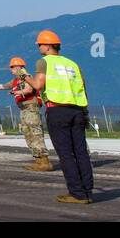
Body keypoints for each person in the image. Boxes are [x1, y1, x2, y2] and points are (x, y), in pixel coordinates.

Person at [34, 30, 94, 204]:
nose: (39, 48)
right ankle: (88, 191)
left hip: (57, 111)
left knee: (66, 154)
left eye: (39, 45)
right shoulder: (72, 64)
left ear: (46, 46)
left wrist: (25, 76)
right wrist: (85, 112)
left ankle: (76, 193)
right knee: (81, 152)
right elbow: (83, 87)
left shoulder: (43, 62)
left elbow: (38, 84)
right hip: (78, 110)